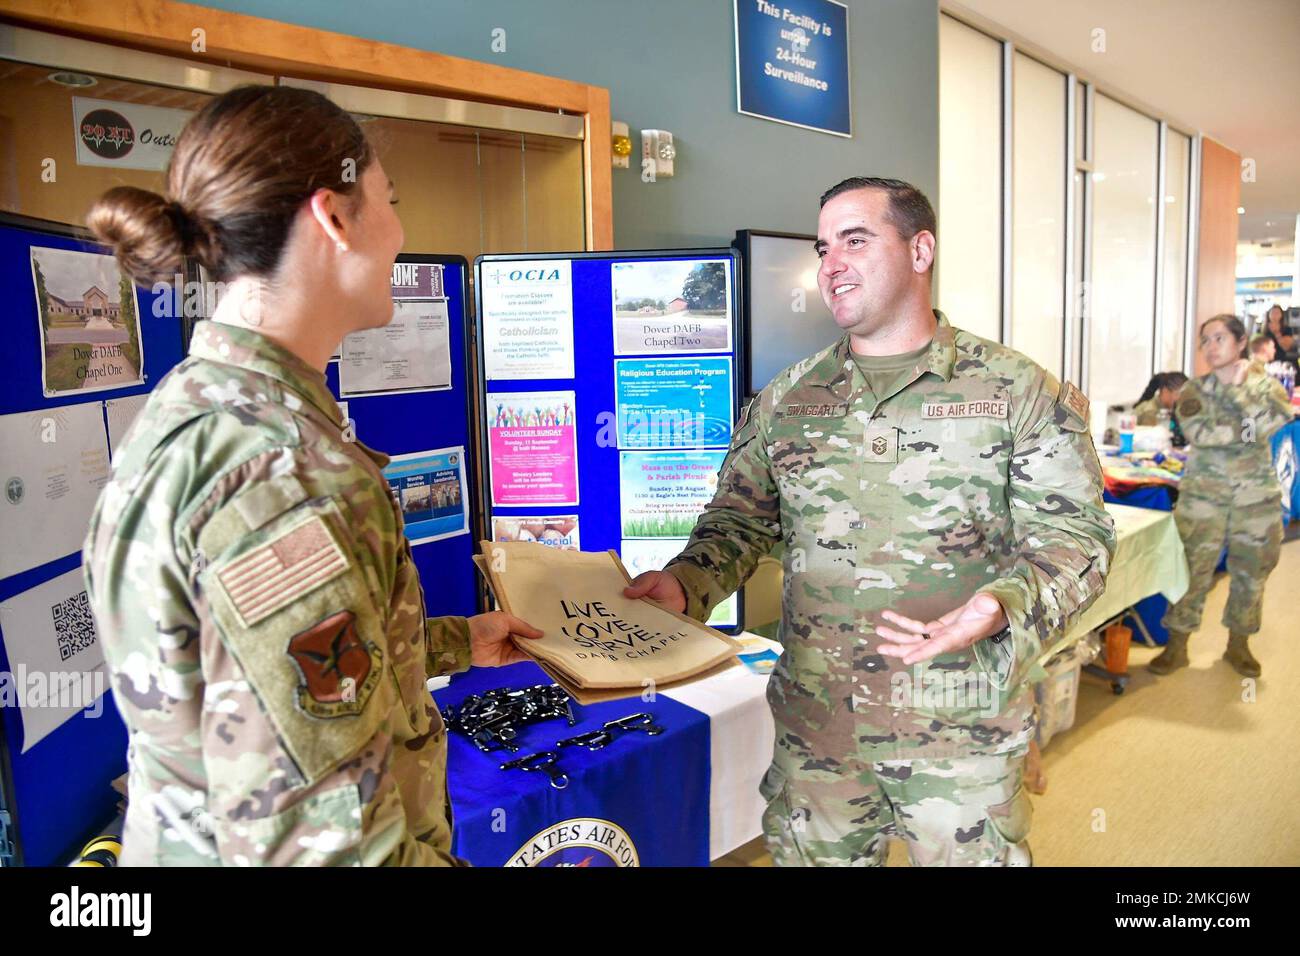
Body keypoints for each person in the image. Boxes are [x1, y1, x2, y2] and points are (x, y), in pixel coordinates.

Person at [82, 85, 542, 866]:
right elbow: (326, 851)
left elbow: (246, 685)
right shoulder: (285, 476)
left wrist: (455, 643)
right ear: (333, 216)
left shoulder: (198, 408)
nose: (399, 233)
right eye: (389, 200)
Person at [624, 176, 1115, 867]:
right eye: (824, 247)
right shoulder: (788, 400)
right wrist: (685, 583)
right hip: (819, 736)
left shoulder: (1016, 391)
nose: (831, 265)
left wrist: (1002, 605)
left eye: (856, 240)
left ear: (920, 250)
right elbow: (737, 522)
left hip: (960, 731)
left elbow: (1077, 542)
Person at [1149, 315, 1293, 679]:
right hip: (1203, 498)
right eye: (1205, 341)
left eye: (1219, 339)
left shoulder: (1268, 385)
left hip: (1255, 498)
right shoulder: (1194, 391)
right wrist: (1245, 415)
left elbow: (1275, 420)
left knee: (1251, 571)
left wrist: (1236, 412)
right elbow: (1201, 432)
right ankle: (1177, 646)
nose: (1210, 348)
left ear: (1241, 341)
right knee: (1192, 570)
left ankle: (1239, 645)